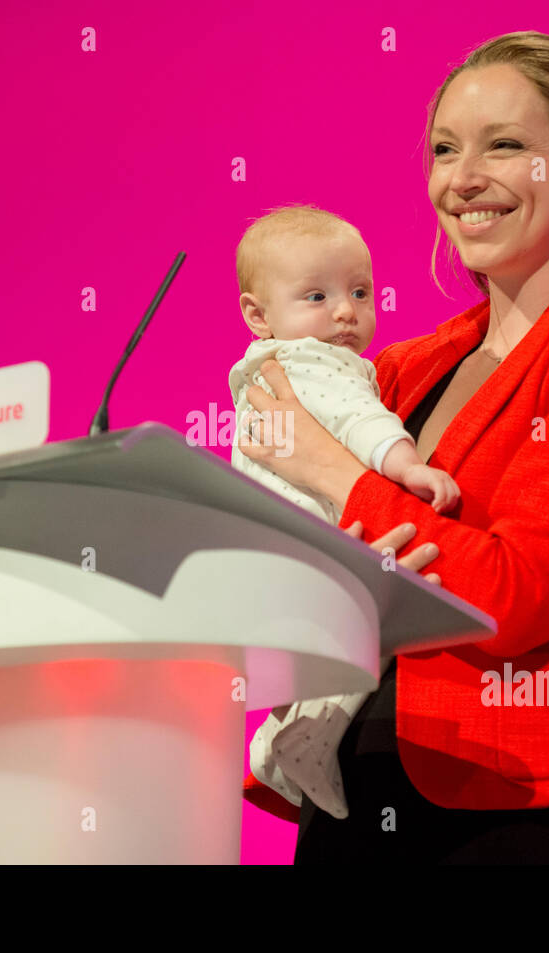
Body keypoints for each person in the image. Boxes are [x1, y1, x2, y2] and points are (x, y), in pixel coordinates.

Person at [238, 30, 549, 864]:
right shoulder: (399, 368)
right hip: (353, 783)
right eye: (443, 149)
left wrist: (325, 465)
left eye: (505, 146)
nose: (460, 179)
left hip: (514, 800)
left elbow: (514, 594)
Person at [229, 204, 460, 820]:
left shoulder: (261, 372)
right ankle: (299, 745)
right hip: (319, 537)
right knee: (374, 625)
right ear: (259, 315)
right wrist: (409, 468)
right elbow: (364, 422)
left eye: (360, 291)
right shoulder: (315, 364)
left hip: (269, 544)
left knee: (328, 647)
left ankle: (280, 745)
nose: (345, 312)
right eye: (317, 295)